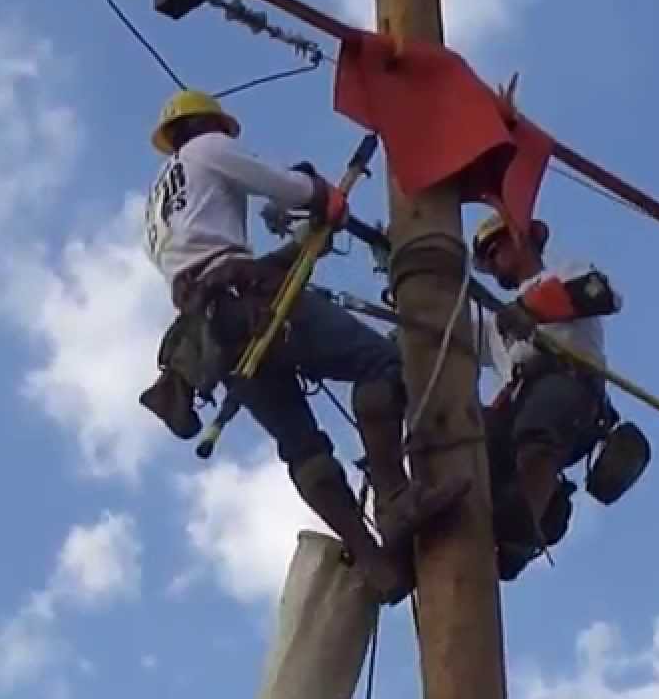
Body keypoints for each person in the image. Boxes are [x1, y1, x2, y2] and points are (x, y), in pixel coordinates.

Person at [138, 89, 468, 604]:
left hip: (212, 334)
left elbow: (209, 260)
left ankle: (372, 561)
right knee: (380, 363)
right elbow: (287, 189)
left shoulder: (156, 207)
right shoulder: (206, 149)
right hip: (251, 301)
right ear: (204, 125)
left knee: (300, 444)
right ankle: (394, 499)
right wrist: (319, 196)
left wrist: (299, 244)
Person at [470, 212, 624, 580]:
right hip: (521, 404)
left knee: (539, 424)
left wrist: (532, 309)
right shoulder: (495, 324)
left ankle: (522, 530)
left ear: (519, 239)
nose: (491, 264)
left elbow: (602, 294)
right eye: (486, 259)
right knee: (473, 440)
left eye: (495, 251)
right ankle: (500, 524)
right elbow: (442, 334)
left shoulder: (564, 273)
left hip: (570, 388)